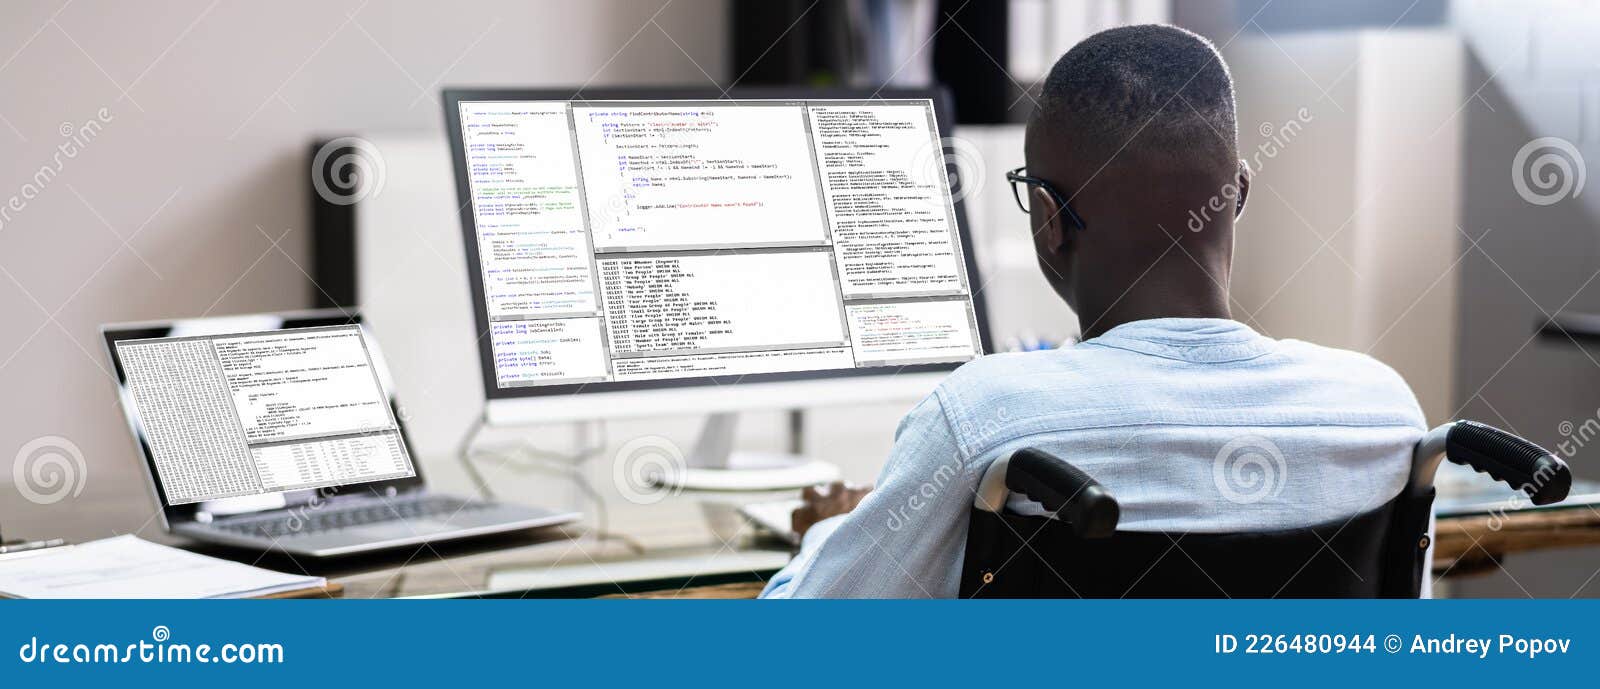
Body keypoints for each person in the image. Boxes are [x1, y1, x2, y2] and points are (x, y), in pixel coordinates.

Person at [760, 24, 1427, 598]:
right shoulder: (1381, 412)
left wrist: (828, 533)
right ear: (1238, 194)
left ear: (1051, 218)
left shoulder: (990, 420)